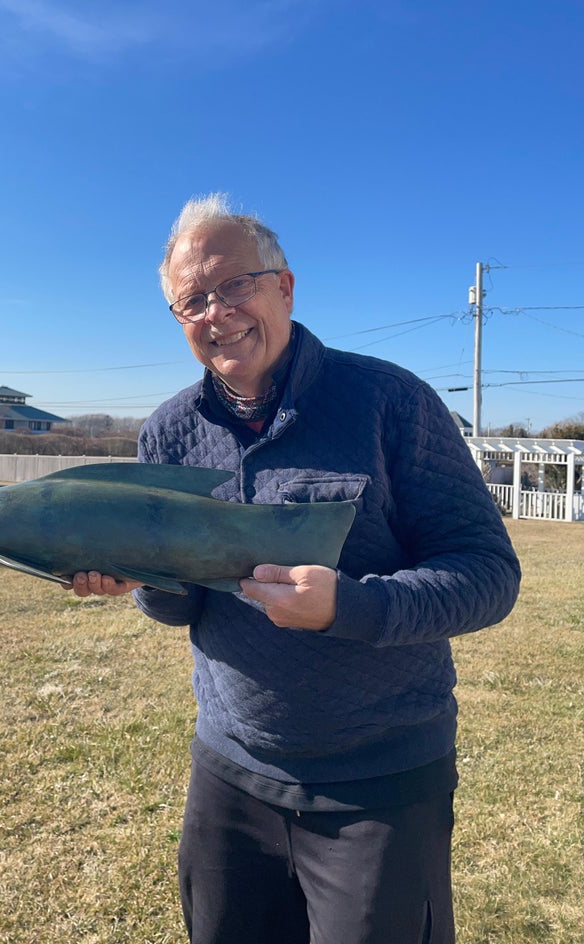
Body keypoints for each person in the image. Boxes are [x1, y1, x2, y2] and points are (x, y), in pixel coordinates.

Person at [71, 193, 521, 944]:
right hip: (229, 770)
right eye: (192, 301)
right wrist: (141, 578)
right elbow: (183, 604)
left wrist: (349, 605)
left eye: (234, 285)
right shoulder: (169, 432)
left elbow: (487, 574)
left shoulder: (388, 401)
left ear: (283, 286)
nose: (217, 313)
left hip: (379, 782)